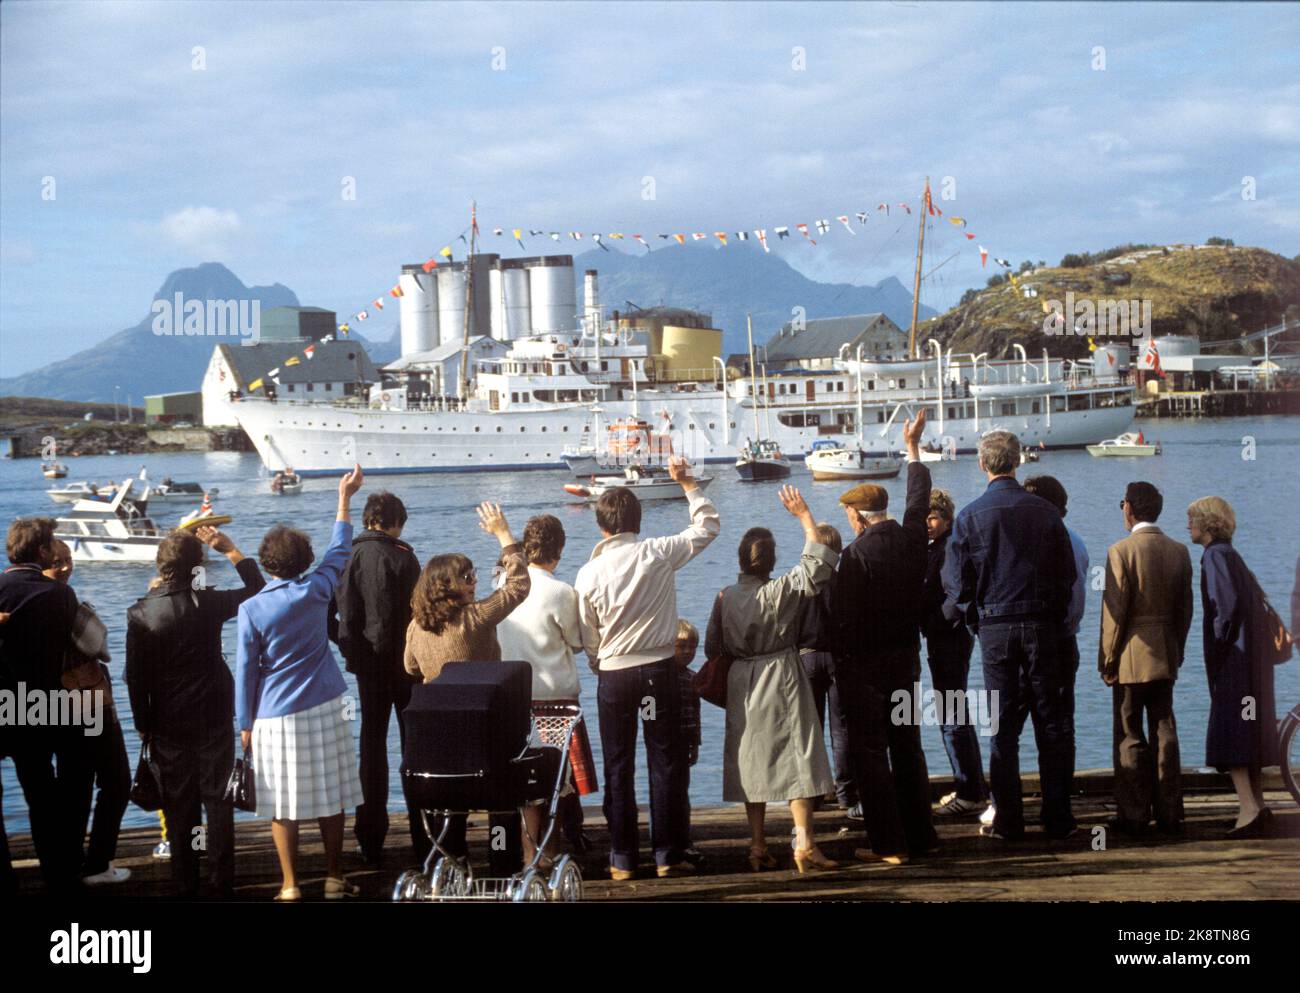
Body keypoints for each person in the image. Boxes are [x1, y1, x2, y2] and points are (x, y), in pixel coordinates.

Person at [575, 455, 719, 880]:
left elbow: (588, 634)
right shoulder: (658, 552)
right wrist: (688, 486)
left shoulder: (588, 573)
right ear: (637, 520)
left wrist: (599, 662)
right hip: (657, 675)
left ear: (601, 526)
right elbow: (708, 527)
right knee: (664, 762)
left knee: (618, 764)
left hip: (615, 677)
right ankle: (667, 854)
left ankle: (621, 858)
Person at [237, 466, 365, 901]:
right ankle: (333, 876)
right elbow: (341, 549)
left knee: (280, 801)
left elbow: (247, 670)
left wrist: (245, 722)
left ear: (267, 563)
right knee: (333, 793)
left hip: (273, 713)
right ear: (304, 561)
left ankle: (290, 884)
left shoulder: (252, 609)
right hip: (326, 703)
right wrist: (344, 497)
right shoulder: (317, 589)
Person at [942, 431, 1077, 841]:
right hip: (1042, 626)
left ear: (983, 465)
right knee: (1052, 725)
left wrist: (977, 621)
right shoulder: (1046, 512)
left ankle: (1009, 822)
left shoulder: (967, 517)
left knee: (1002, 728)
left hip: (996, 630)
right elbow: (1067, 575)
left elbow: (956, 587)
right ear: (1018, 462)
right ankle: (1058, 819)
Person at [126, 524, 265, 898]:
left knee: (179, 804)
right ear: (197, 564)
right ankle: (222, 880)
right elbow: (257, 590)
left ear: (161, 566)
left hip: (167, 719)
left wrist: (143, 724)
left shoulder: (140, 613)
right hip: (214, 709)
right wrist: (231, 550)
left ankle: (186, 880)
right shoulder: (210, 603)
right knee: (217, 800)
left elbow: (135, 679)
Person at [708, 485, 839, 872]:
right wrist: (803, 517)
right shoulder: (780, 591)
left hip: (742, 680)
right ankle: (804, 843)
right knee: (797, 759)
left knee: (752, 765)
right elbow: (819, 564)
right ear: (771, 560)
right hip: (781, 673)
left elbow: (713, 645)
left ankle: (757, 845)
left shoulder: (723, 596)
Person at [835, 409, 938, 864]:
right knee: (908, 745)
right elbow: (919, 497)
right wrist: (912, 448)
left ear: (857, 515)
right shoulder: (914, 537)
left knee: (871, 754)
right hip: (906, 661)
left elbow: (843, 620)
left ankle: (889, 844)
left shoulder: (855, 557)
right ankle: (921, 834)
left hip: (866, 672)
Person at [404, 502, 531, 872]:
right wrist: (504, 535)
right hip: (487, 725)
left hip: (439, 731)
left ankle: (453, 859)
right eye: (468, 577)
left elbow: (409, 666)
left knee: (450, 798)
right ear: (448, 586)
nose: (474, 581)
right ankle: (502, 860)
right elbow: (519, 585)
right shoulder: (475, 618)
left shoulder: (415, 627)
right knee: (500, 798)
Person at [495, 513, 598, 867]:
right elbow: (577, 641)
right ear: (559, 548)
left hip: (515, 702)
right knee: (555, 787)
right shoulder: (560, 591)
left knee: (527, 788)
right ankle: (549, 855)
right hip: (556, 705)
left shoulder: (502, 586)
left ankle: (524, 854)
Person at [331, 490, 426, 867]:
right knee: (412, 749)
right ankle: (422, 835)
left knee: (371, 747)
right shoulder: (403, 557)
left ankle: (370, 837)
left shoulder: (344, 558)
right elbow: (422, 614)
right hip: (405, 668)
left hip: (366, 668)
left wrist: (348, 648)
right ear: (395, 522)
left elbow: (329, 613)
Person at [1098, 482, 1193, 836]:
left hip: (1129, 655)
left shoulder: (1120, 551)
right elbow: (1186, 610)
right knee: (1164, 729)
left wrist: (1107, 660)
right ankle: (1171, 812)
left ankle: (1134, 814)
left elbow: (1115, 614)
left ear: (1128, 509)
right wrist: (1177, 650)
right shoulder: (1180, 551)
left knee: (1128, 734)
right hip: (1166, 652)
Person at [0, 517, 85, 893]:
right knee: (43, 795)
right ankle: (59, 874)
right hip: (44, 705)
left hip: (4, 702)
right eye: (51, 546)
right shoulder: (60, 595)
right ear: (41, 552)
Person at [1187, 496, 1278, 837]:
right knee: (1249, 729)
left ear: (1207, 523)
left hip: (1235, 661)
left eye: (1192, 518)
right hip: (1252, 660)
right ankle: (1258, 804)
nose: (1188, 525)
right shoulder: (1231, 554)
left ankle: (1249, 808)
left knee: (1232, 731)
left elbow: (1225, 610)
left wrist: (1217, 647)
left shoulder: (1214, 556)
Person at [44, 540, 131, 885]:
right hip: (88, 703)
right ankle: (96, 863)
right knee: (116, 782)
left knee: (74, 787)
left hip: (56, 707)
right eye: (57, 562)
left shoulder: (23, 605)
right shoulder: (65, 603)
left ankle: (72, 863)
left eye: (68, 560)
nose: (66, 567)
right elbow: (99, 645)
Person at [1022, 475, 1089, 797]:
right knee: (1062, 721)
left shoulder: (1034, 542)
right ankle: (1061, 787)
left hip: (1040, 640)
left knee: (1026, 720)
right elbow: (1076, 601)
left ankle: (1050, 786)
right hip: (1065, 640)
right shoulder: (1076, 541)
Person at [922, 490, 988, 817]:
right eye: (926, 518)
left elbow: (955, 596)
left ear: (947, 519)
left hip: (949, 638)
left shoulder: (948, 549)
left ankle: (971, 790)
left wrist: (933, 622)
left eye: (934, 518)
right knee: (952, 712)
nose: (928, 524)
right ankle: (969, 785)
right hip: (948, 638)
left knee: (952, 715)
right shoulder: (939, 547)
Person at [797, 523, 857, 814]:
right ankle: (846, 792)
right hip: (838, 658)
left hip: (807, 657)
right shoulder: (845, 581)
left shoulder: (800, 582)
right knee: (841, 728)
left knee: (811, 729)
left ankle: (815, 793)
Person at [674, 619, 704, 865]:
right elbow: (646, 704)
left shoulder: (693, 678)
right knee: (665, 793)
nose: (687, 652)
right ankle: (670, 839)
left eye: (692, 647)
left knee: (681, 793)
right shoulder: (658, 677)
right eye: (681, 646)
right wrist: (648, 723)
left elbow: (696, 712)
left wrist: (696, 743)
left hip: (685, 743)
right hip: (663, 742)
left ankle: (684, 838)